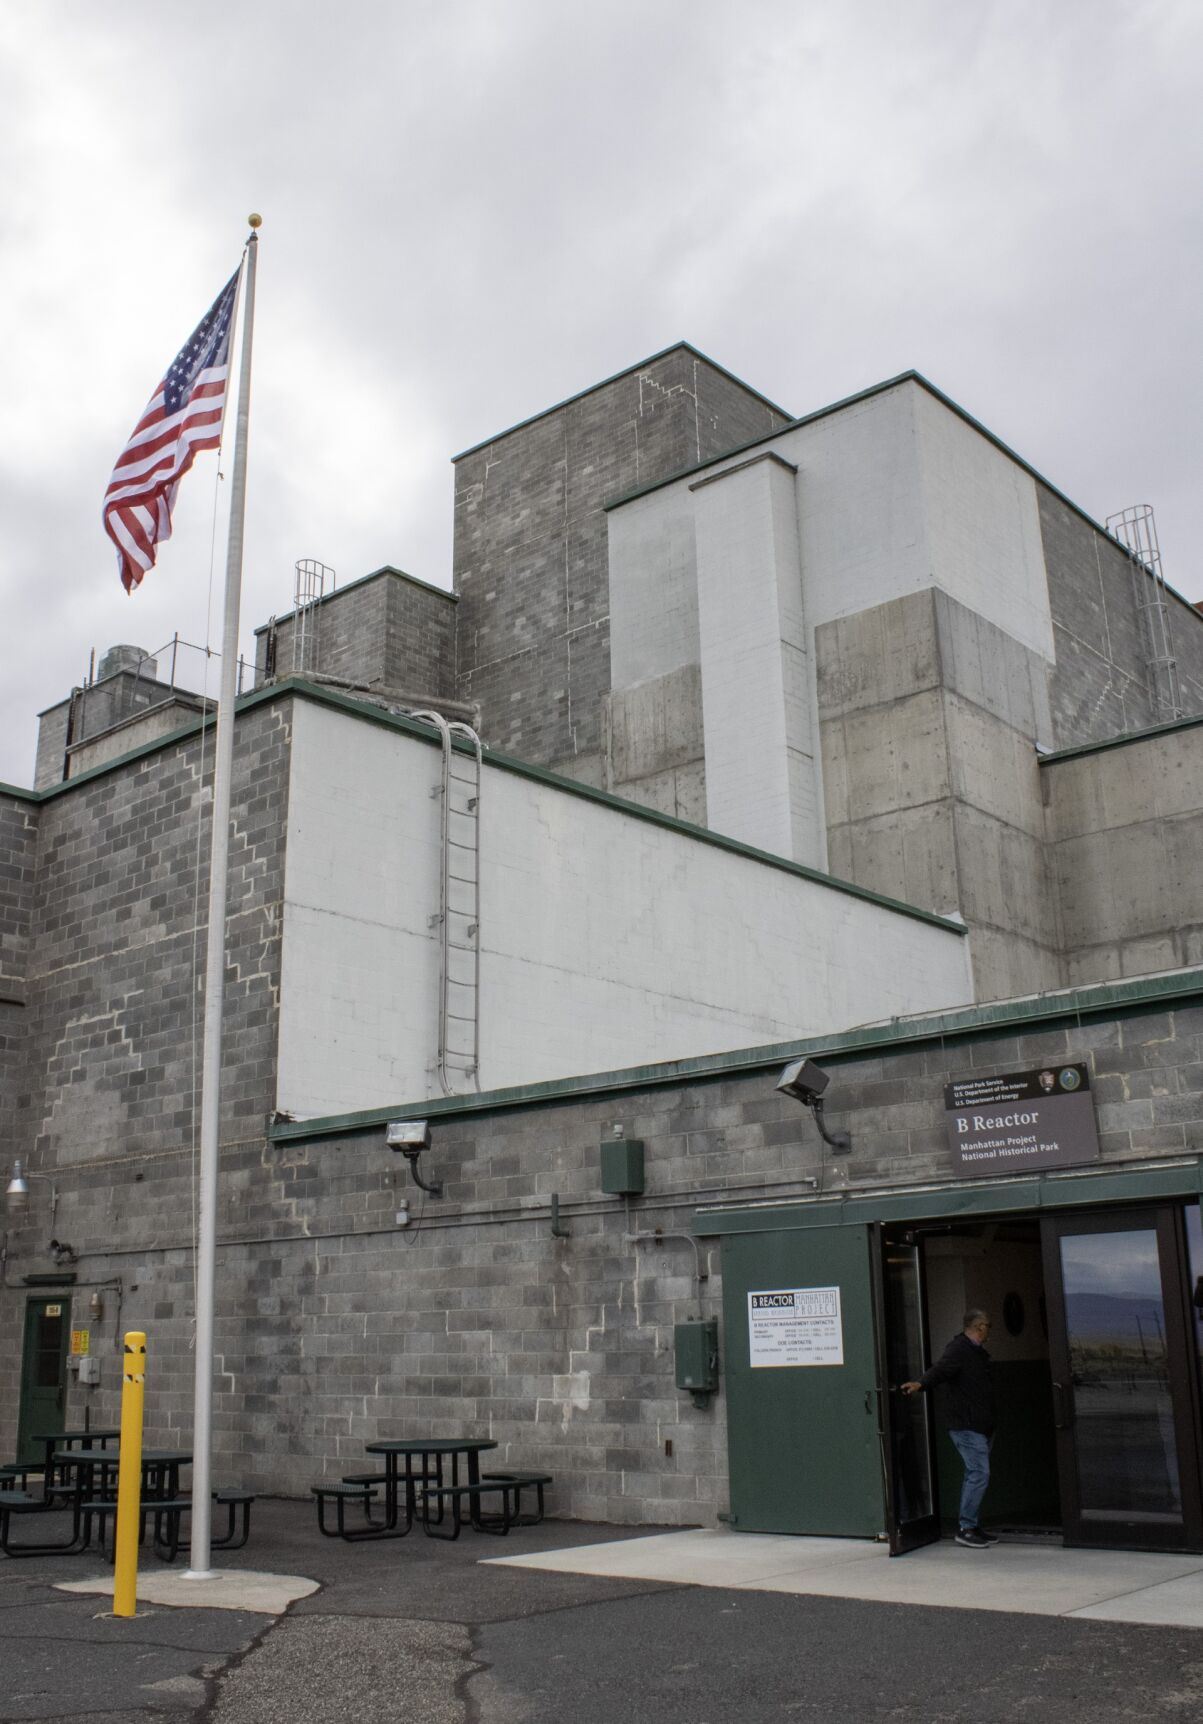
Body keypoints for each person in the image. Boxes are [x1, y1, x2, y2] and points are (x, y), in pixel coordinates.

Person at [901, 1309, 997, 1550]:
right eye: (988, 1326)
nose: (990, 1331)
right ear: (980, 1327)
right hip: (966, 1425)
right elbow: (941, 1370)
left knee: (974, 1474)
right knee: (979, 1473)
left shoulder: (977, 1353)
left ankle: (972, 1525)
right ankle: (965, 1528)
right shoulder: (959, 1349)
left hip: (980, 1425)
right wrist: (920, 1384)